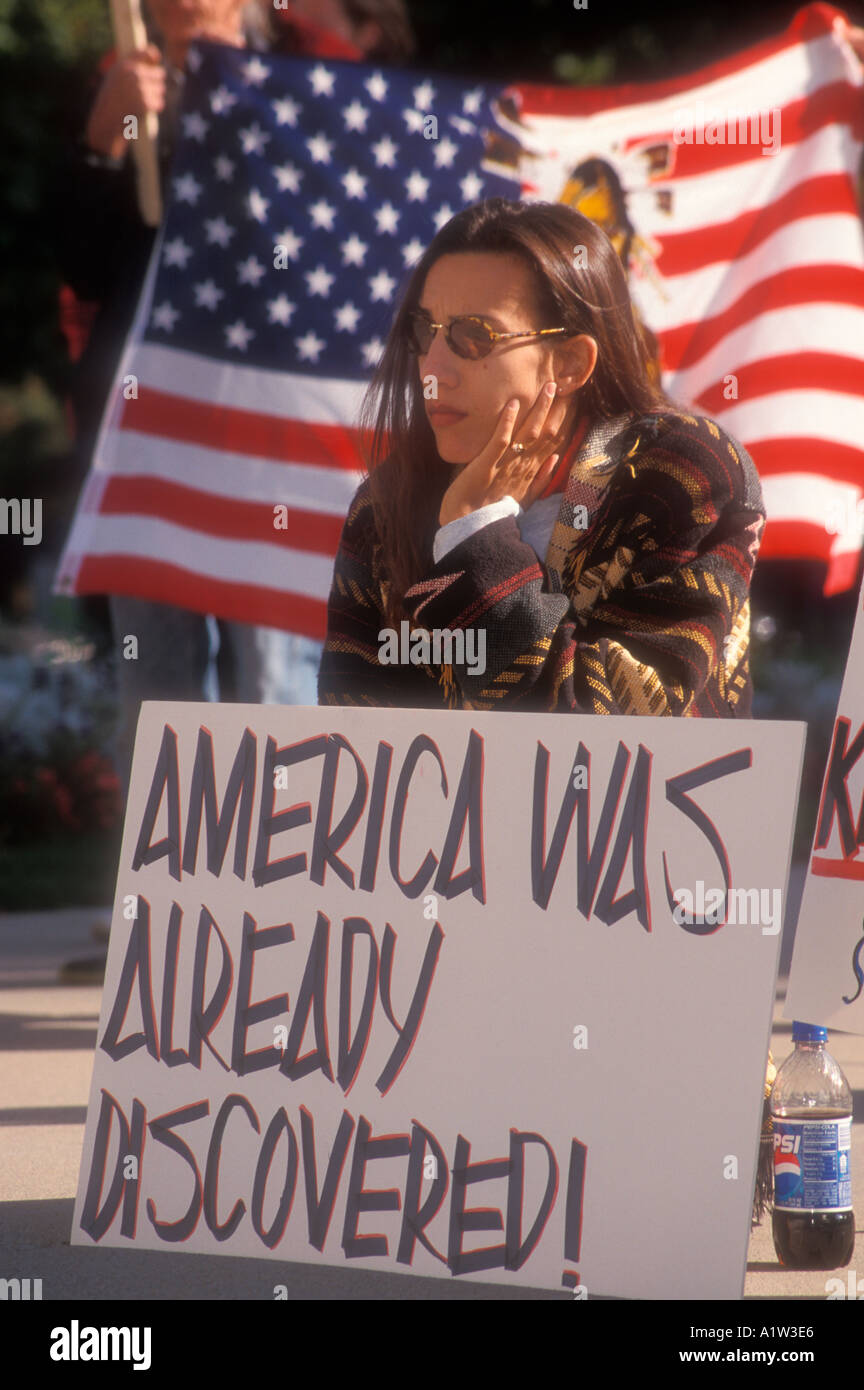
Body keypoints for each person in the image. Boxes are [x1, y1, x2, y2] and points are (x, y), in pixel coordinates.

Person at [318, 197, 766, 717]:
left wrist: (476, 536)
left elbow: (621, 732)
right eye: (424, 331)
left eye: (473, 337)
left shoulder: (682, 473)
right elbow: (358, 739)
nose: (432, 369)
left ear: (571, 363)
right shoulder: (386, 502)